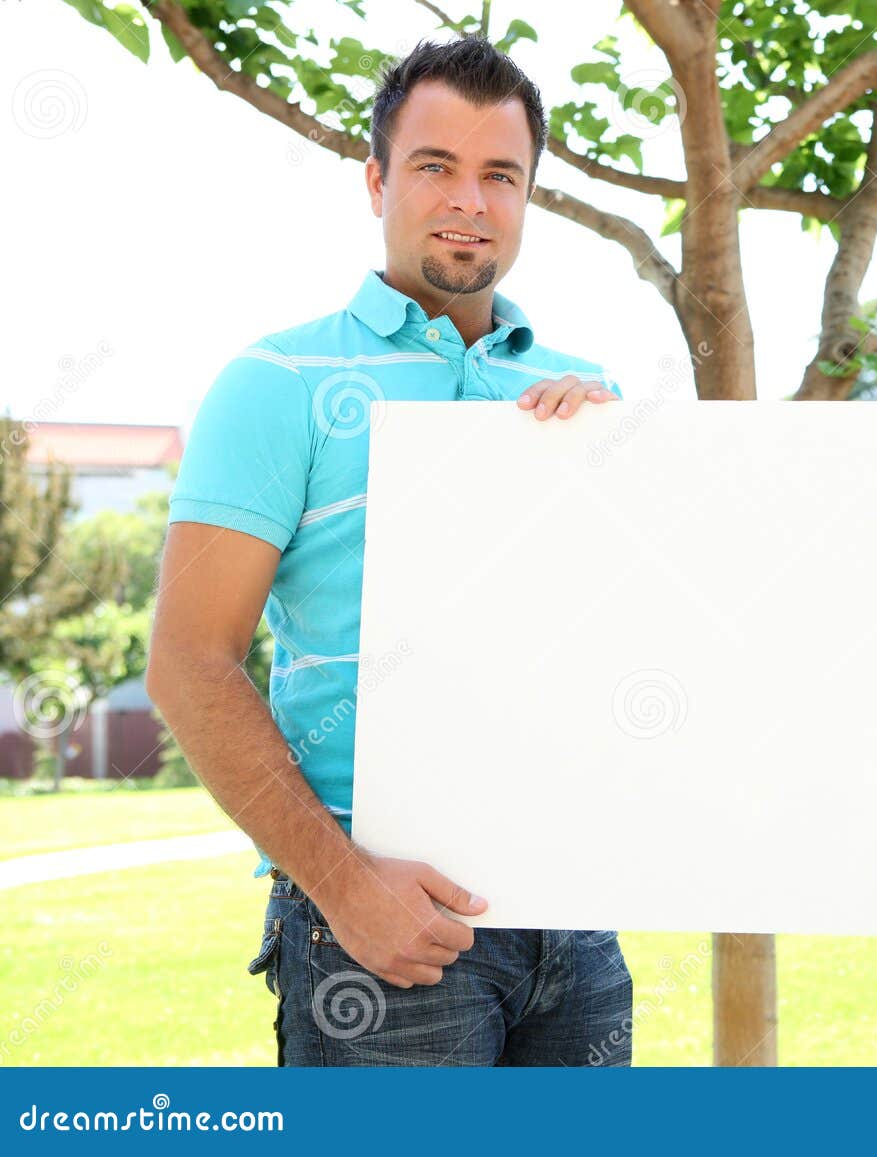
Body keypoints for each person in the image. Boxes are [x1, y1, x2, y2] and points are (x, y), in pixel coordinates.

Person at [147, 37, 633, 1067]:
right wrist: (342, 884)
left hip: (576, 928)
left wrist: (611, 467)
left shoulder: (588, 394)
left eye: (499, 174)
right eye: (434, 166)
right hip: (377, 930)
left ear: (528, 196)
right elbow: (190, 658)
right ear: (376, 180)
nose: (469, 198)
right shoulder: (277, 379)